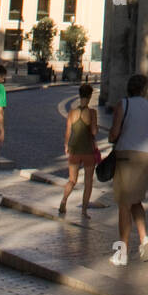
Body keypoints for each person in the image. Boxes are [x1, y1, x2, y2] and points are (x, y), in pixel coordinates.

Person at [109, 72, 148, 265]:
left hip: (126, 157)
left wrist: (112, 136)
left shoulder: (123, 104)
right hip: (147, 157)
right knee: (136, 201)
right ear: (144, 90)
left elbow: (114, 134)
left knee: (124, 205)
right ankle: (144, 238)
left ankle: (122, 252)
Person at [59, 83, 98, 218]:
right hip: (88, 150)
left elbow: (68, 131)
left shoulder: (72, 112)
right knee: (88, 182)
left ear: (80, 95)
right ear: (90, 96)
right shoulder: (92, 112)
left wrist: (66, 145)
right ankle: (84, 211)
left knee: (72, 180)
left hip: (74, 149)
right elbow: (94, 131)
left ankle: (64, 200)